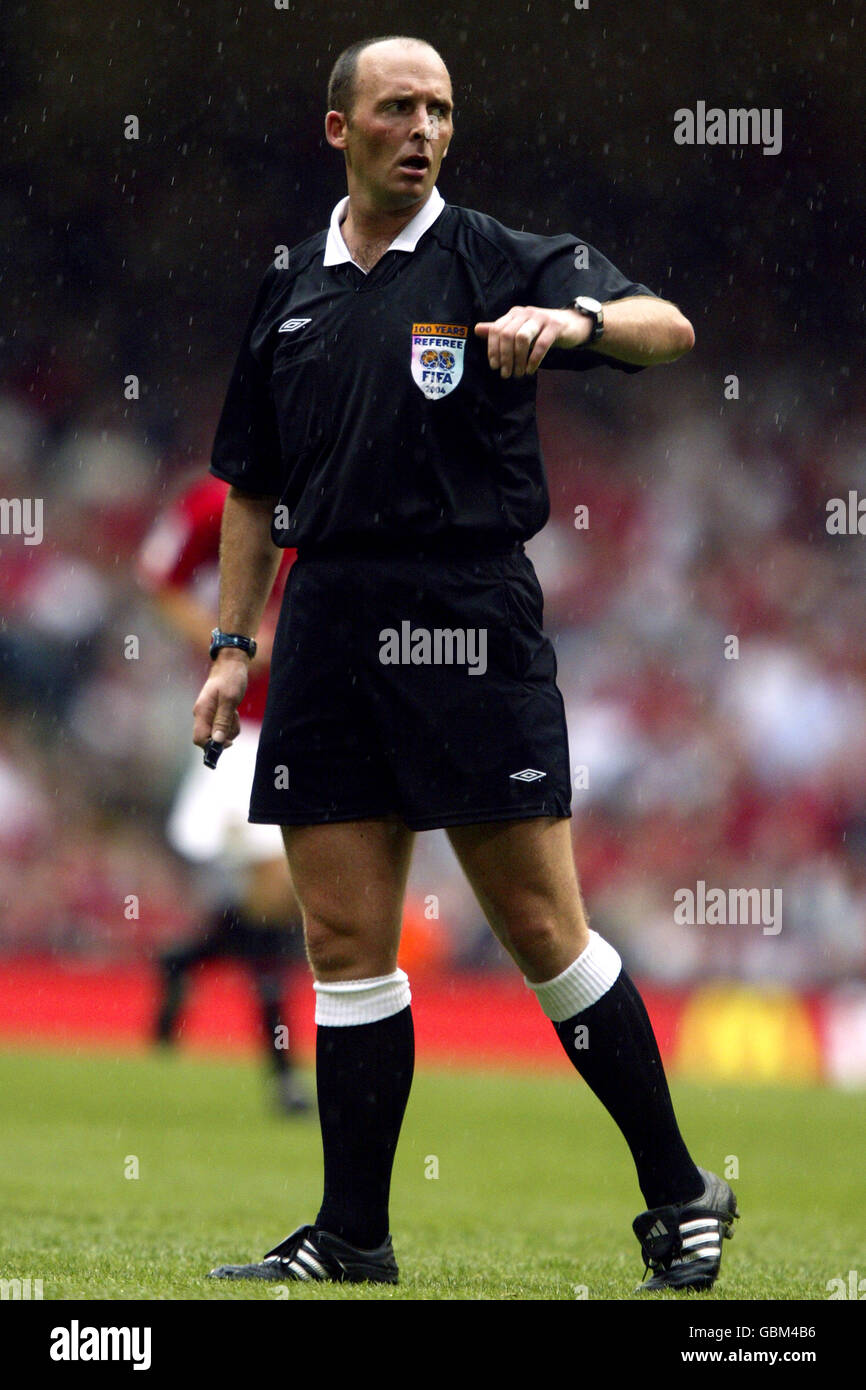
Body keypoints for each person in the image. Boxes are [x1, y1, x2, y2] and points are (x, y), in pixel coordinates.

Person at [195, 34, 738, 1291]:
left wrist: (577, 317)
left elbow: (667, 327)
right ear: (340, 128)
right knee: (342, 943)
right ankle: (352, 1235)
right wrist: (232, 647)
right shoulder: (291, 286)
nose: (423, 128)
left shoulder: (495, 253)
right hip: (325, 616)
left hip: (468, 615)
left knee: (543, 929)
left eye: (439, 109)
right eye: (396, 108)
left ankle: (675, 1187)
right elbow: (249, 483)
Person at [138, 472, 311, 1115]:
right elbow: (159, 577)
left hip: (313, 723)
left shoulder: (342, 475)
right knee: (276, 894)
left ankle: (186, 959)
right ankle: (284, 1073)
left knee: (280, 902)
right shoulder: (220, 497)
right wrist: (229, 644)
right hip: (244, 730)